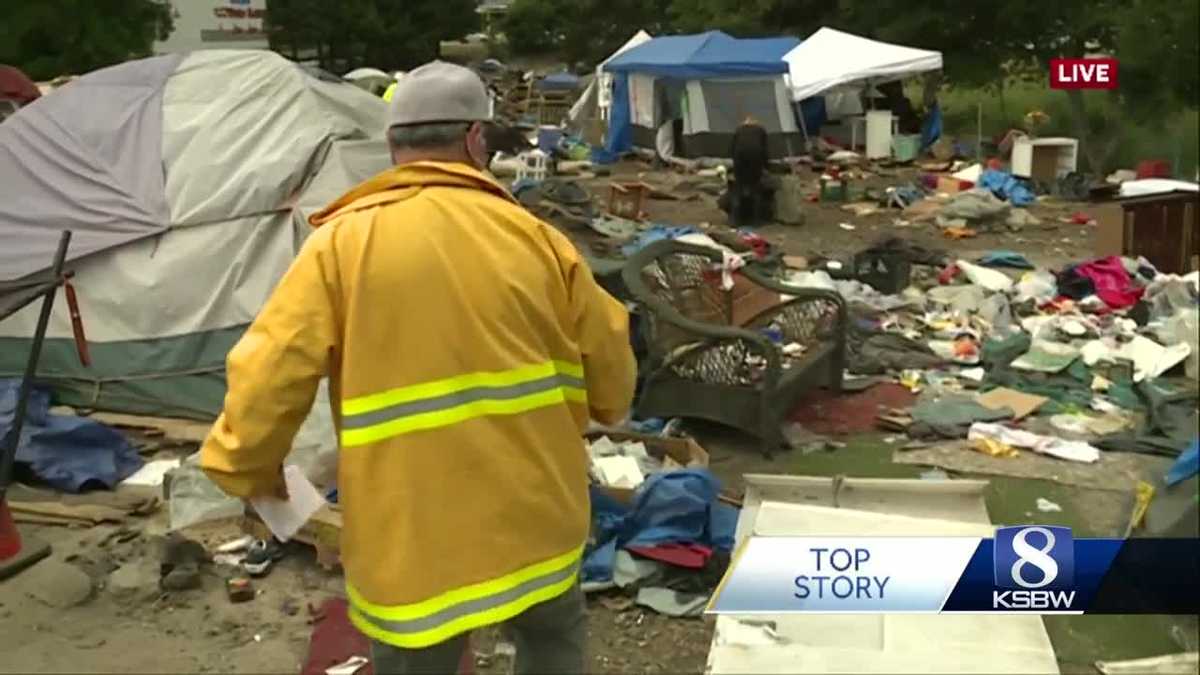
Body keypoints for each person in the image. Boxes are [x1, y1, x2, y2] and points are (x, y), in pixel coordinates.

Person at [199, 60, 636, 674]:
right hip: (537, 513)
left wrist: (246, 467)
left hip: (414, 536)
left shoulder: (340, 245)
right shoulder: (537, 238)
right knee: (551, 642)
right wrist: (608, 408)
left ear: (390, 144)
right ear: (475, 139)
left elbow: (269, 369)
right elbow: (610, 354)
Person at [728, 115, 770, 226]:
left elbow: (732, 149)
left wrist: (734, 166)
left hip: (740, 160)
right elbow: (765, 151)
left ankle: (735, 219)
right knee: (756, 189)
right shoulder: (761, 130)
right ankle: (756, 220)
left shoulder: (738, 130)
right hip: (756, 160)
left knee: (738, 189)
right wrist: (766, 167)